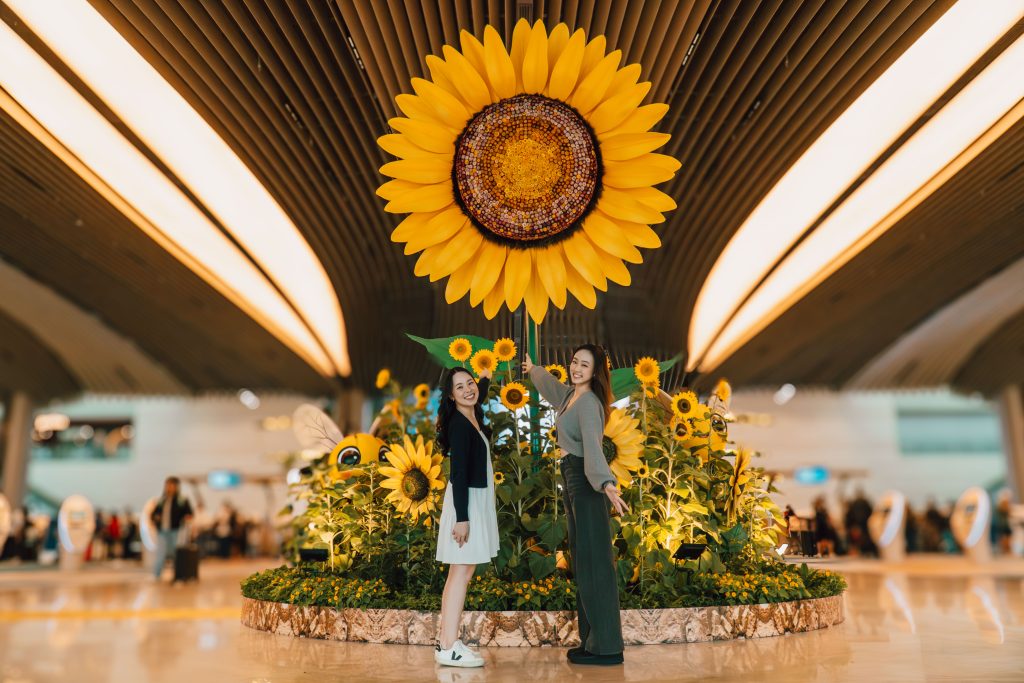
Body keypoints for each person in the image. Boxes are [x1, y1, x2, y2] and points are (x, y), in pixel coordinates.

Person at [526, 345, 628, 666]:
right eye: (574, 362)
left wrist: (606, 485)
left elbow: (594, 447)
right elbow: (554, 390)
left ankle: (608, 648)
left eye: (585, 365)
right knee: (583, 561)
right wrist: (533, 370)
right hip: (573, 478)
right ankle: (593, 643)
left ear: (595, 372)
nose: (576, 368)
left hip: (586, 481)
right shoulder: (571, 396)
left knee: (596, 563)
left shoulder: (588, 403)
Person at [433, 365, 496, 668]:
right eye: (460, 387)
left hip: (473, 501)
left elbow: (478, 394)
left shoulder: (470, 411)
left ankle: (446, 642)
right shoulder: (458, 424)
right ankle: (448, 646)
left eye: (469, 384)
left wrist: (484, 377)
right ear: (450, 395)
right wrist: (462, 518)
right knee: (461, 573)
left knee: (461, 572)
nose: (469, 390)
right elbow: (457, 473)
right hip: (466, 503)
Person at [150, 477, 193, 580]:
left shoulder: (181, 500)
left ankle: (178, 575)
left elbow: (189, 513)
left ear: (176, 487)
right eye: (167, 485)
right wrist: (156, 518)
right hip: (162, 531)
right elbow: (153, 514)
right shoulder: (162, 500)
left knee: (176, 554)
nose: (169, 487)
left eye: (171, 485)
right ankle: (156, 575)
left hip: (175, 531)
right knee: (160, 553)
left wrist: (186, 518)